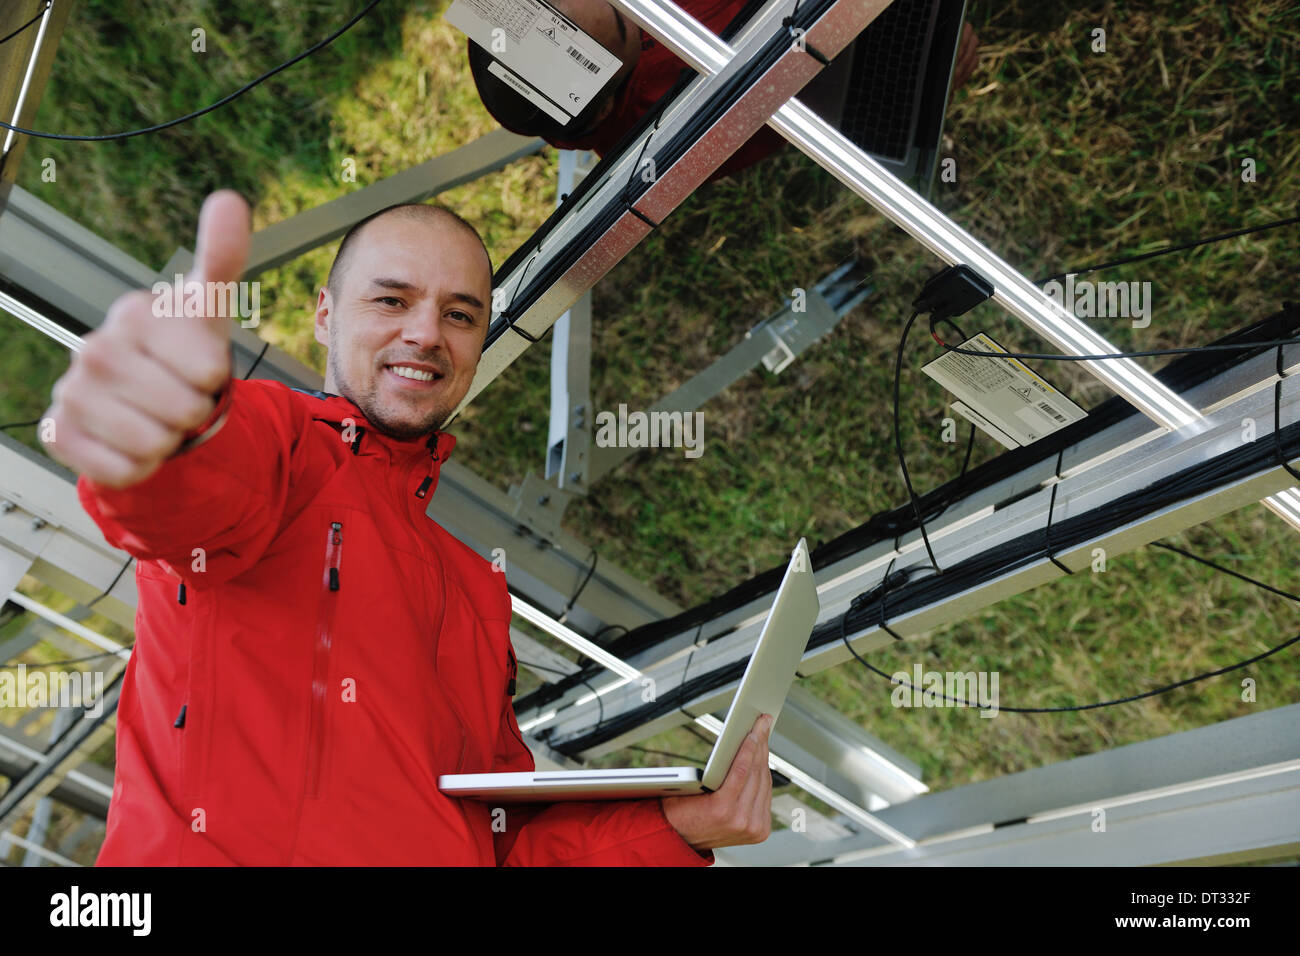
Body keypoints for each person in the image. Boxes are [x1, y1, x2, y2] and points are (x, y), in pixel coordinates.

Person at [41, 190, 776, 865]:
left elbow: (493, 843)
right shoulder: (284, 447)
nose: (426, 333)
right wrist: (166, 435)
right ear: (325, 314)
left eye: (460, 315)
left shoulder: (474, 588)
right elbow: (196, 493)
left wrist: (675, 828)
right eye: (392, 300)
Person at [467, 0, 979, 183]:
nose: (646, 9)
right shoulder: (673, 134)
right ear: (603, 106)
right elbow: (821, 91)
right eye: (631, 27)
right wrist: (921, 62)